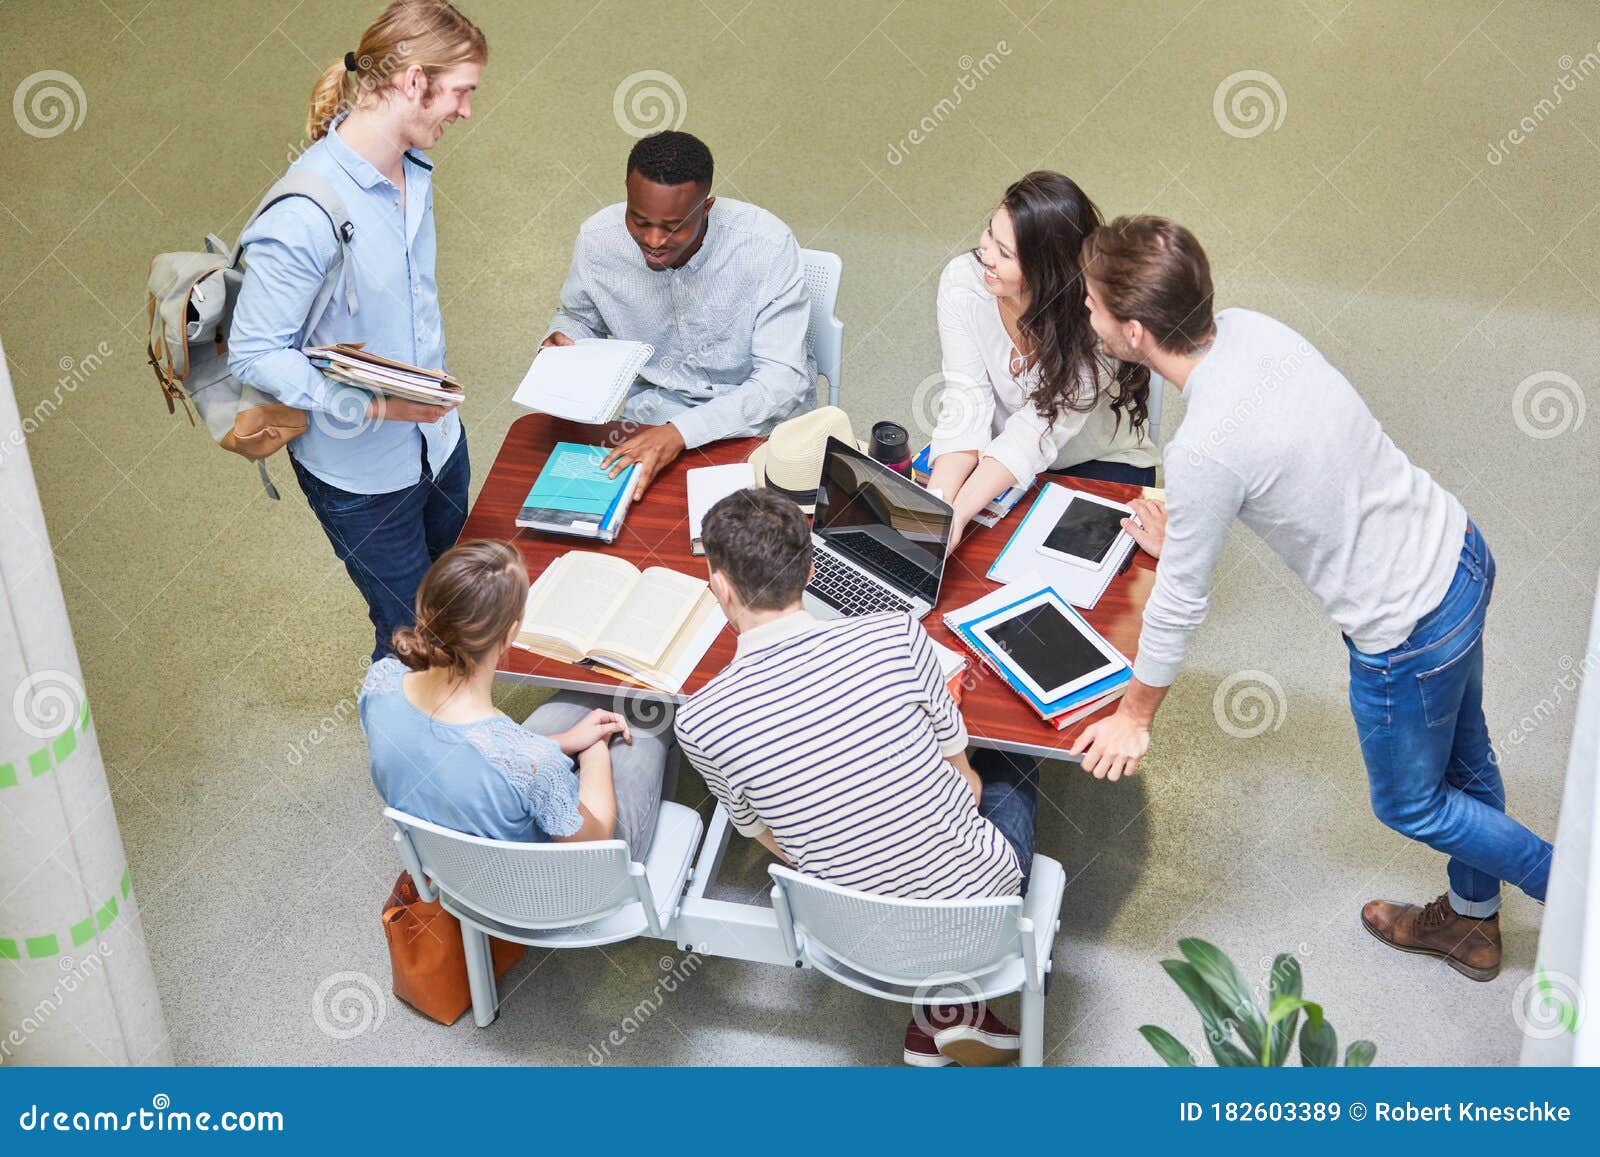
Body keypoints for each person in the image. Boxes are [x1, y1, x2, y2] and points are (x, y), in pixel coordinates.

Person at [1070, 215, 1554, 981]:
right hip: (1457, 550)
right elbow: (1300, 462)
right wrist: (1187, 530)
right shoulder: (1256, 331)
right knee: (1468, 755)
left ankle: (1570, 893)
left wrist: (1134, 717)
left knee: (1413, 803)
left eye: (1092, 306)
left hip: (1406, 630)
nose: (1085, 314)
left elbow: (1180, 604)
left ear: (1132, 331)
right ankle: (1470, 921)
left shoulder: (1202, 447)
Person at [673, 489, 1038, 1066]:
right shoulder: (896, 634)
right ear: (812, 568)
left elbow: (765, 836)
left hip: (844, 926)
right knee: (1012, 762)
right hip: (979, 910)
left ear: (719, 585)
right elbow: (966, 784)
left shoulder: (698, 720)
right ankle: (948, 1005)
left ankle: (936, 1016)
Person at [230, 0, 486, 663]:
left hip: (436, 442)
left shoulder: (412, 170)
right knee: (410, 638)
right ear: (412, 82)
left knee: (456, 605)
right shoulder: (303, 214)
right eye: (459, 93)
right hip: (363, 478)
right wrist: (373, 403)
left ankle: (454, 728)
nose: (465, 111)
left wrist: (419, 406)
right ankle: (416, 756)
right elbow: (254, 350)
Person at [541, 130, 815, 500]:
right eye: (639, 221)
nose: (653, 241)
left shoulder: (766, 246)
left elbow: (781, 381)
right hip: (653, 418)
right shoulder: (597, 240)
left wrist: (681, 432)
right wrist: (564, 336)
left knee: (749, 542)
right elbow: (578, 315)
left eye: (673, 227)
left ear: (706, 208)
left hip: (759, 424)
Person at [359, 540, 676, 855]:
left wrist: (563, 742)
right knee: (649, 710)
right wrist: (594, 750)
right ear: (510, 633)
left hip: (449, 862)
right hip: (554, 893)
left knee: (580, 701)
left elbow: (462, 753)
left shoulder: (380, 682)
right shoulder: (531, 759)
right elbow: (595, 838)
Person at [926, 171, 1157, 551]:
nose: (985, 254)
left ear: (1046, 270)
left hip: (1098, 465)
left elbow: (1035, 433)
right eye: (989, 234)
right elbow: (964, 402)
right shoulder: (964, 283)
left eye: (1005, 253)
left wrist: (960, 513)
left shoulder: (1094, 327)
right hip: (1005, 459)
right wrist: (938, 509)